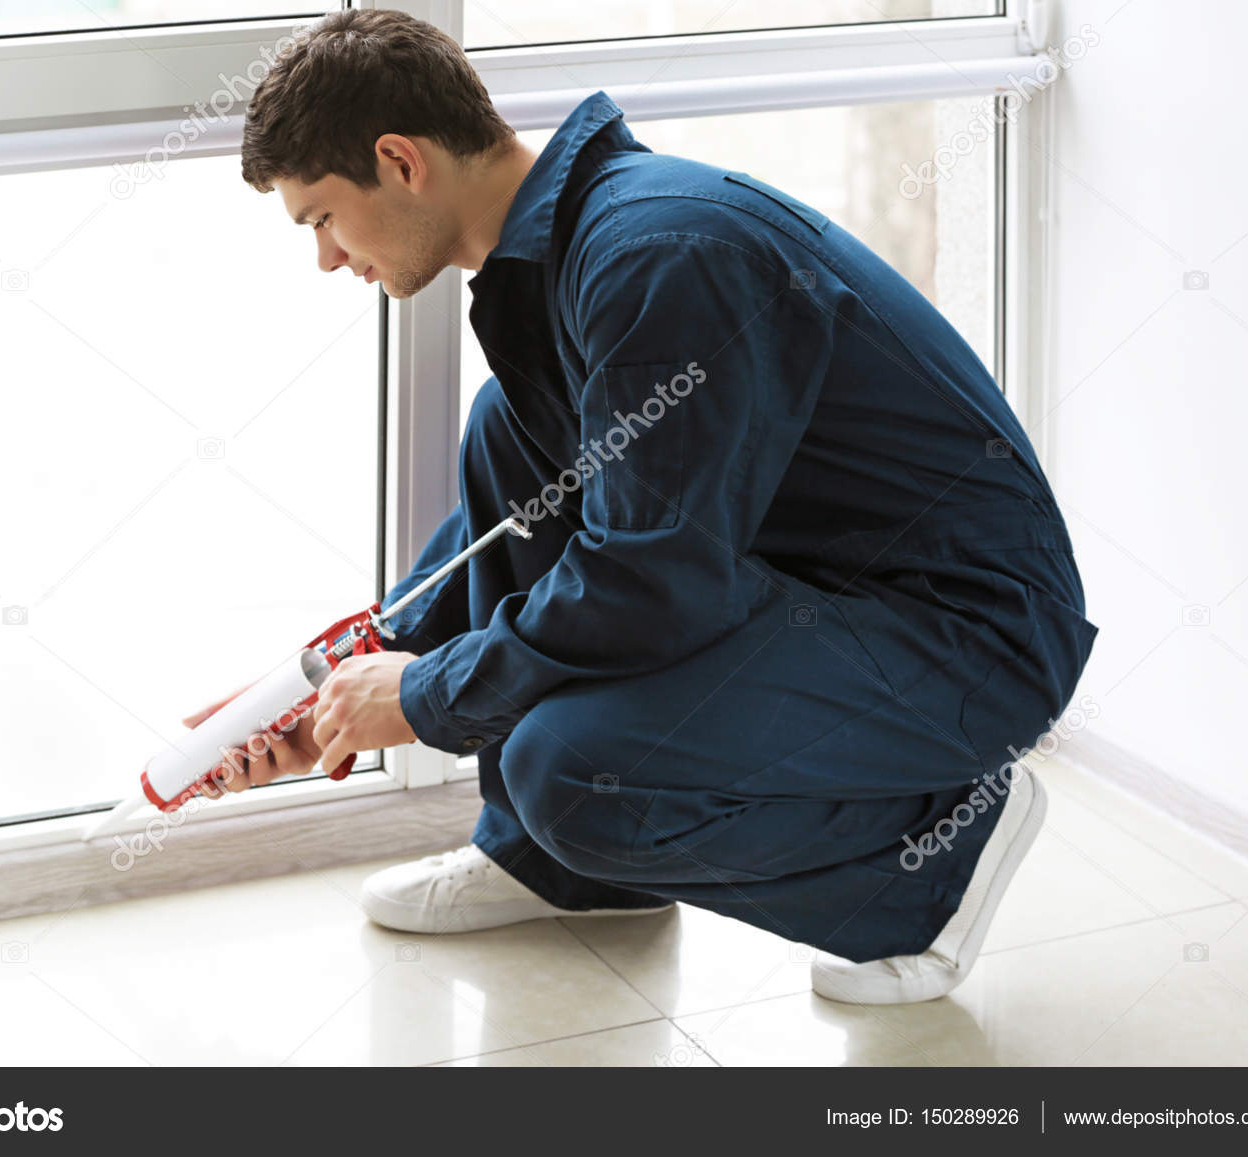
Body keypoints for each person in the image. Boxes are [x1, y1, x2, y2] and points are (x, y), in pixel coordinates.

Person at [204, 7, 1098, 1005]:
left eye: (320, 216)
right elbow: (524, 529)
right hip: (811, 588)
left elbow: (647, 579)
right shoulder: (571, 258)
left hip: (964, 639)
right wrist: (327, 685)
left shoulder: (656, 255)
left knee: (572, 768)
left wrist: (419, 699)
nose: (327, 257)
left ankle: (939, 856)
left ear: (399, 161)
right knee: (510, 422)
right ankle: (567, 875)